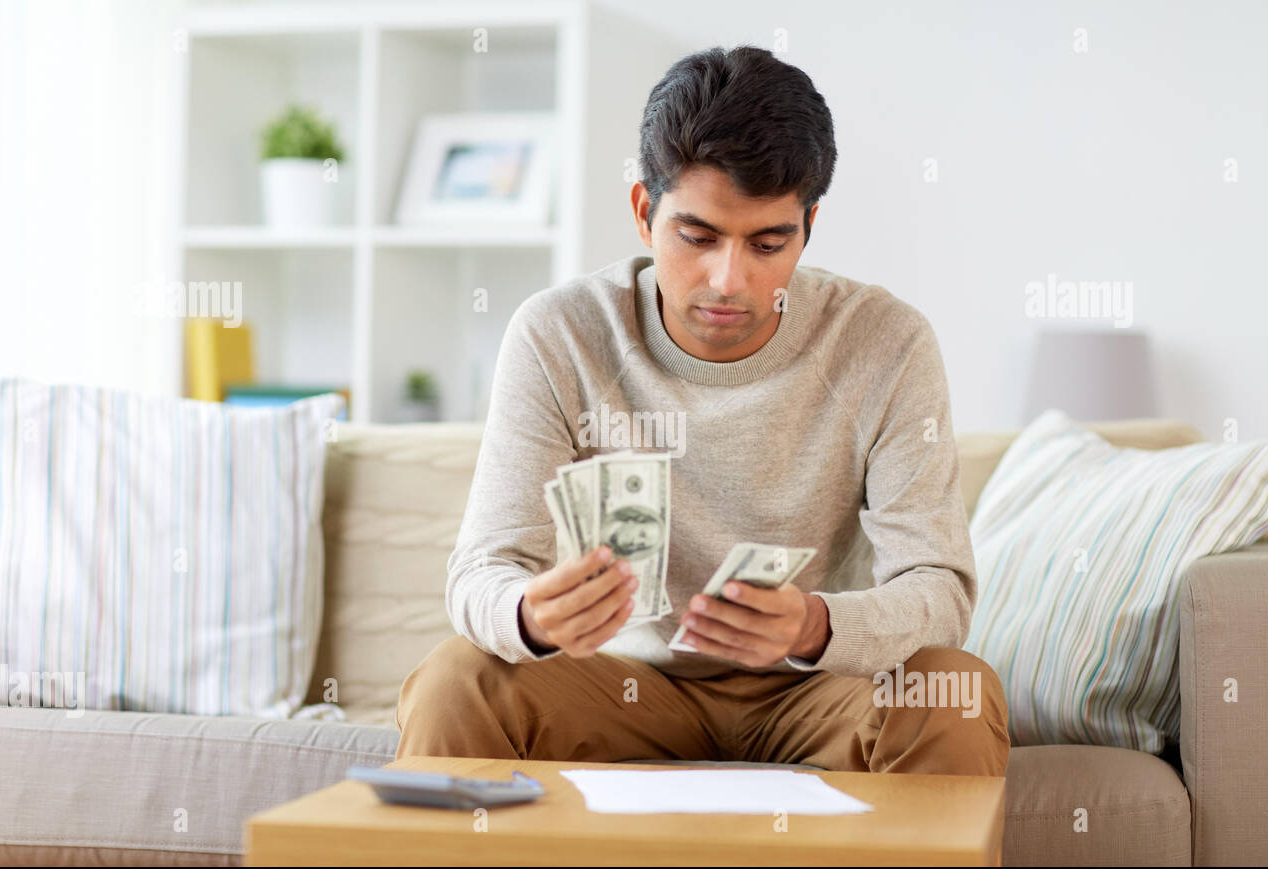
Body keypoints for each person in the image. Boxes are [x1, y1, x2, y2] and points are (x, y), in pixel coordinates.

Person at [395, 44, 1009, 775]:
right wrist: (529, 614)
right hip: (621, 688)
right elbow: (482, 571)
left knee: (957, 694)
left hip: (818, 691)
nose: (729, 280)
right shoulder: (560, 333)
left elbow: (938, 587)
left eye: (768, 243)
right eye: (698, 236)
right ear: (643, 211)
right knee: (456, 680)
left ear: (809, 225)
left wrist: (812, 624)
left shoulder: (886, 342)